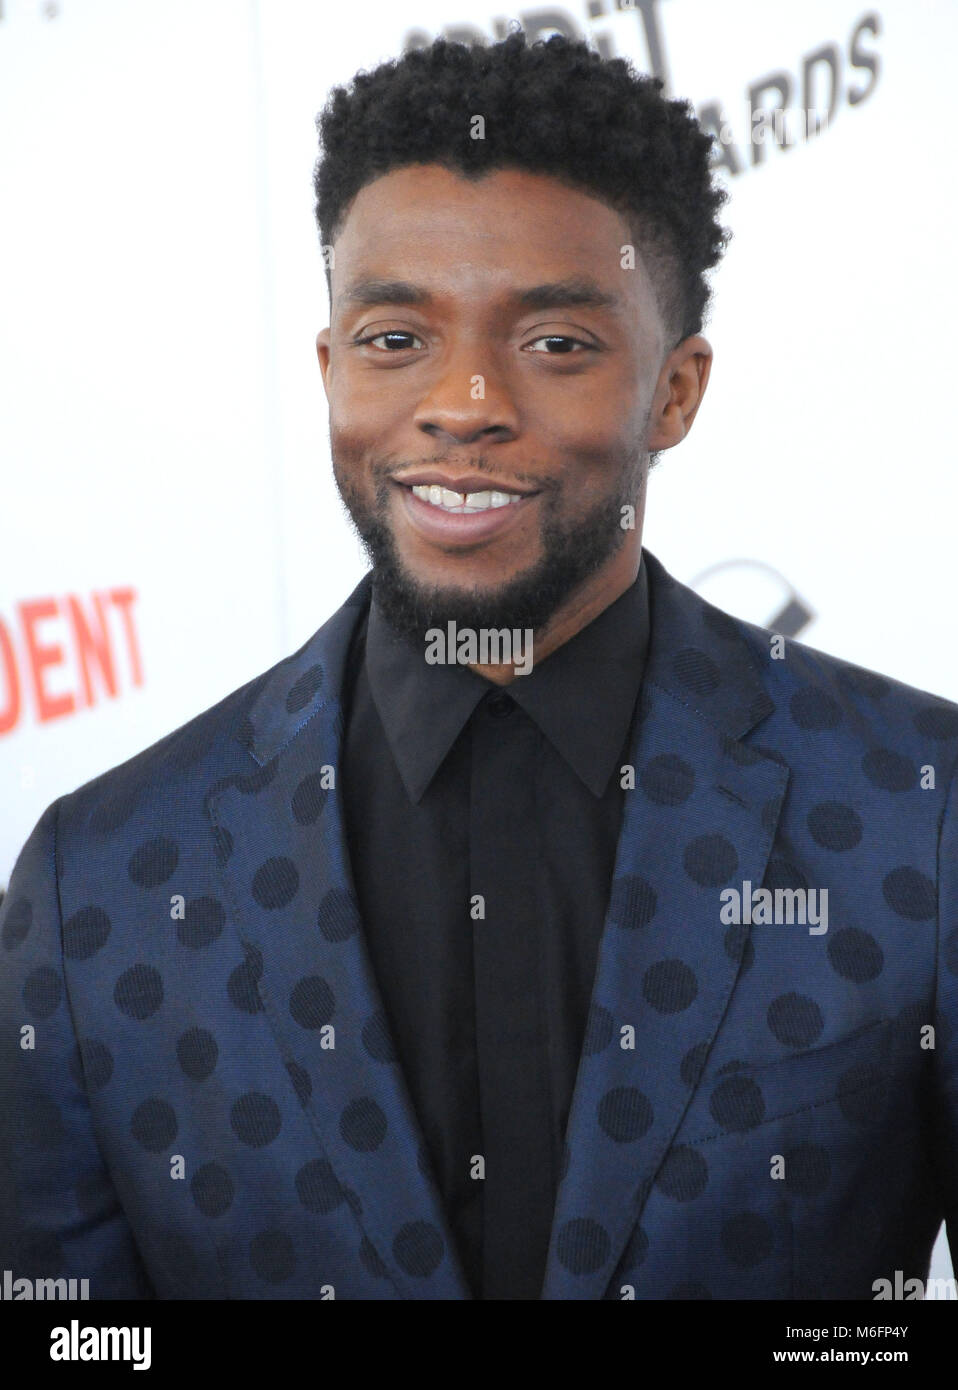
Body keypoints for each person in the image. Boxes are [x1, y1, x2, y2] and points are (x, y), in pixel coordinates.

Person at [2, 31, 957, 1302]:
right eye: (395, 338)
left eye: (556, 344)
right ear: (330, 368)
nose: (462, 401)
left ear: (673, 392)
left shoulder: (917, 813)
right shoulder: (101, 879)